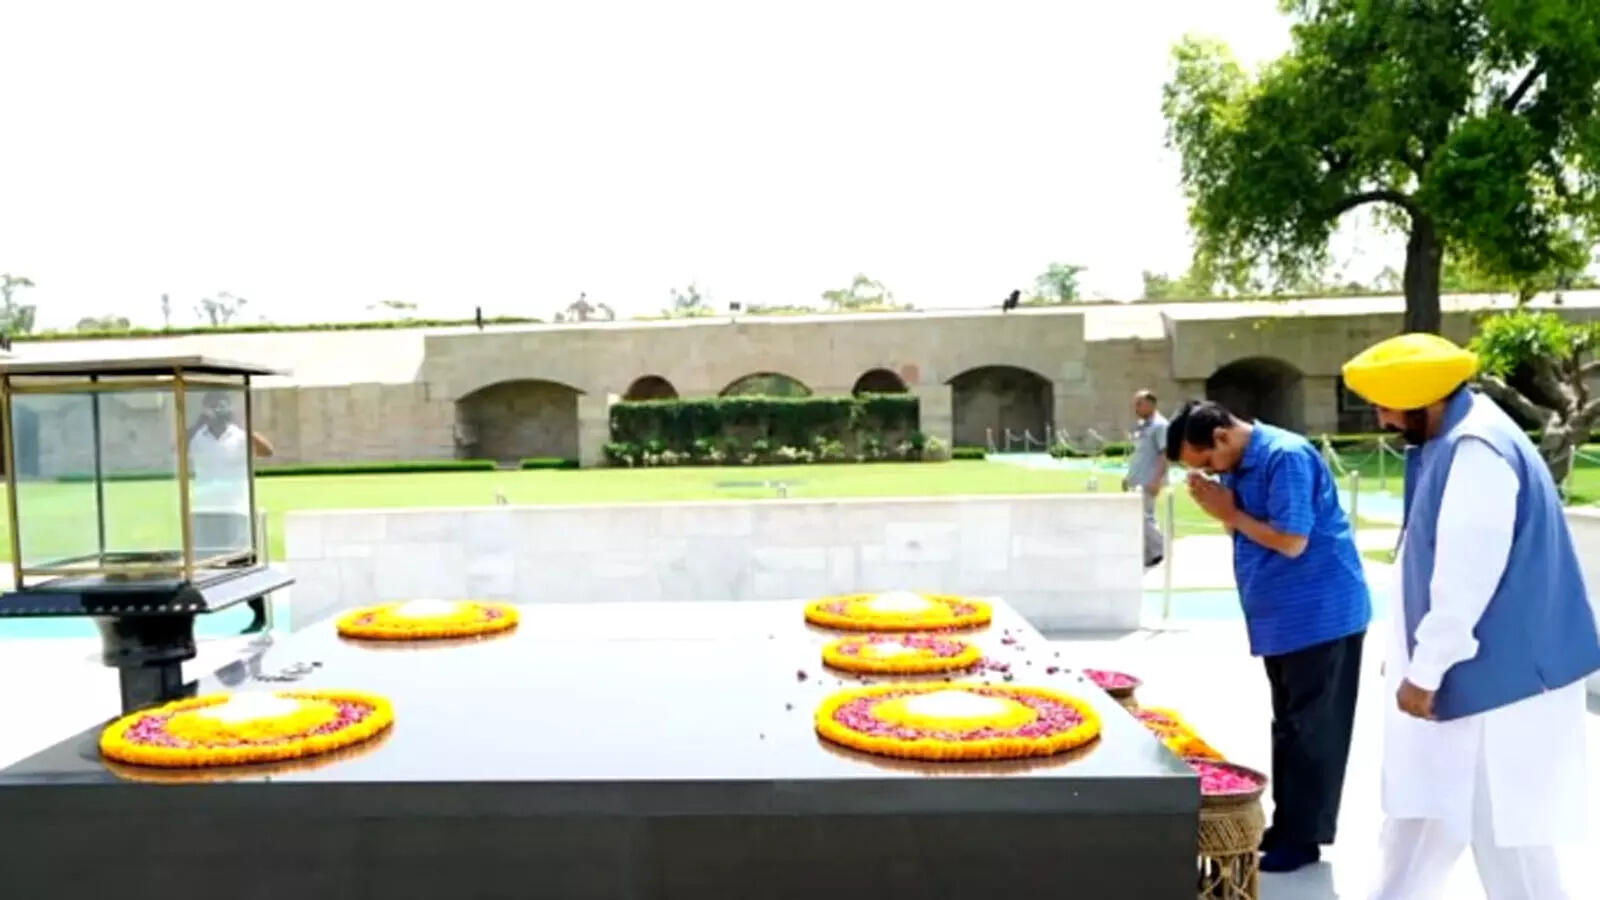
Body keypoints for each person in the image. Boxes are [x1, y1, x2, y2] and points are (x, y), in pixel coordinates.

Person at [1342, 333, 1600, 900]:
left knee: (1505, 835)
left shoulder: (1476, 449)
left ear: (1422, 398)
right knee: (1425, 816)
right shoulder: (1455, 436)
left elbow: (1465, 577)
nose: (1383, 420)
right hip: (1474, 680)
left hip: (1499, 689)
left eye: (1386, 405)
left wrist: (1426, 670)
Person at [1165, 399, 1371, 873]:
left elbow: (1292, 540)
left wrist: (1227, 511)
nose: (1212, 472)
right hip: (1281, 619)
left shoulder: (1286, 457)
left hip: (1320, 613)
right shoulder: (1239, 464)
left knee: (1314, 729)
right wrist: (1222, 509)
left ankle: (1305, 839)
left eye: (1207, 461)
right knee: (1289, 725)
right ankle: (1289, 824)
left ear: (1221, 437)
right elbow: (1249, 534)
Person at [189, 391, 274, 633]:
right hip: (203, 509)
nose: (216, 411)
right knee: (199, 566)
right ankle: (189, 621)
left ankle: (259, 617)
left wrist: (240, 423)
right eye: (211, 407)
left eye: (221, 406)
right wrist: (198, 423)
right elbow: (174, 450)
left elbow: (267, 451)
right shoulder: (197, 436)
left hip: (235, 509)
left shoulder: (240, 436)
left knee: (243, 564)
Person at [1123, 389, 1168, 567]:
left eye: (1139, 403)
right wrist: (1129, 477)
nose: (1136, 408)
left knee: (1144, 516)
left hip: (1149, 479)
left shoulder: (1160, 425)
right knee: (1139, 517)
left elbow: (1165, 454)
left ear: (1151, 404)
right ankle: (1149, 554)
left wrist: (1157, 480)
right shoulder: (1143, 426)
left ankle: (1160, 549)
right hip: (1138, 478)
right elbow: (1139, 454)